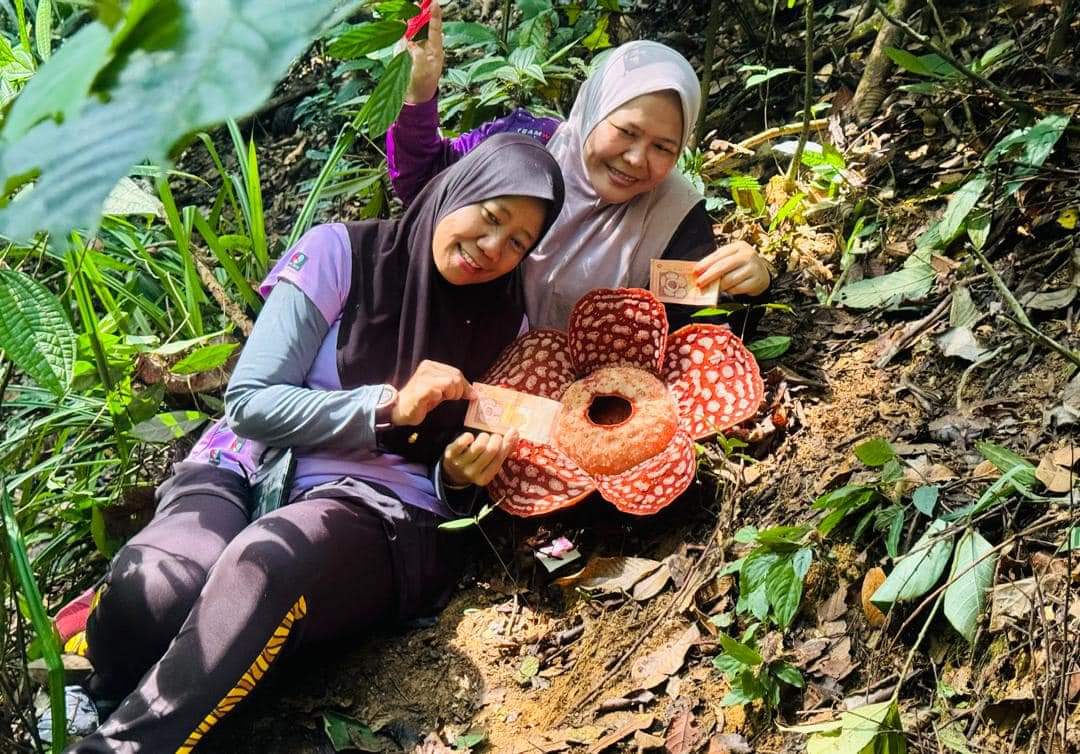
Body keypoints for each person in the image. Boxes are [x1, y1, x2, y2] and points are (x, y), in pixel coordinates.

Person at [60, 133, 564, 753]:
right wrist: (384, 407)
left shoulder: (507, 325)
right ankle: (105, 673)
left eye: (518, 243)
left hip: (380, 502)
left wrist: (459, 476)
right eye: (489, 218)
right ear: (458, 189)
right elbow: (249, 404)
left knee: (266, 564)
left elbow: (453, 464)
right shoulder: (342, 254)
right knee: (154, 594)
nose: (492, 249)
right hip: (246, 463)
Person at [388, 3, 773, 332]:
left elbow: (695, 329)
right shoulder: (526, 145)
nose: (637, 158)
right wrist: (418, 95)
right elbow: (426, 187)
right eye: (626, 131)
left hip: (582, 401)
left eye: (663, 147)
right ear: (592, 110)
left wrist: (751, 288)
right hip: (451, 359)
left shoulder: (673, 217)